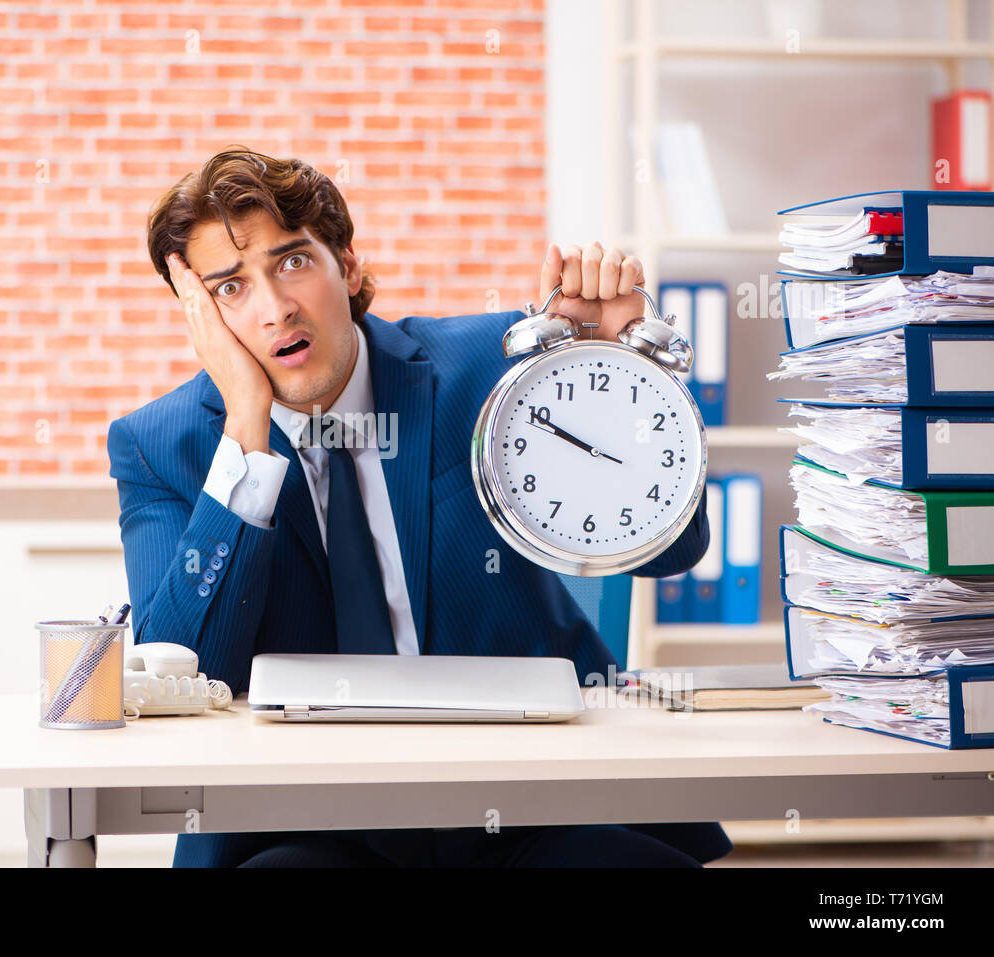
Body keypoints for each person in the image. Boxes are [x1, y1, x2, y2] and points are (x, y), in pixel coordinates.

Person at [107, 147, 731, 867]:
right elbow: (183, 674)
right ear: (199, 317)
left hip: (537, 806)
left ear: (348, 262)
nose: (274, 307)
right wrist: (246, 430)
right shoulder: (159, 446)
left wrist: (622, 370)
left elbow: (674, 551)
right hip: (302, 827)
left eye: (292, 262)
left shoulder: (497, 371)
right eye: (230, 287)